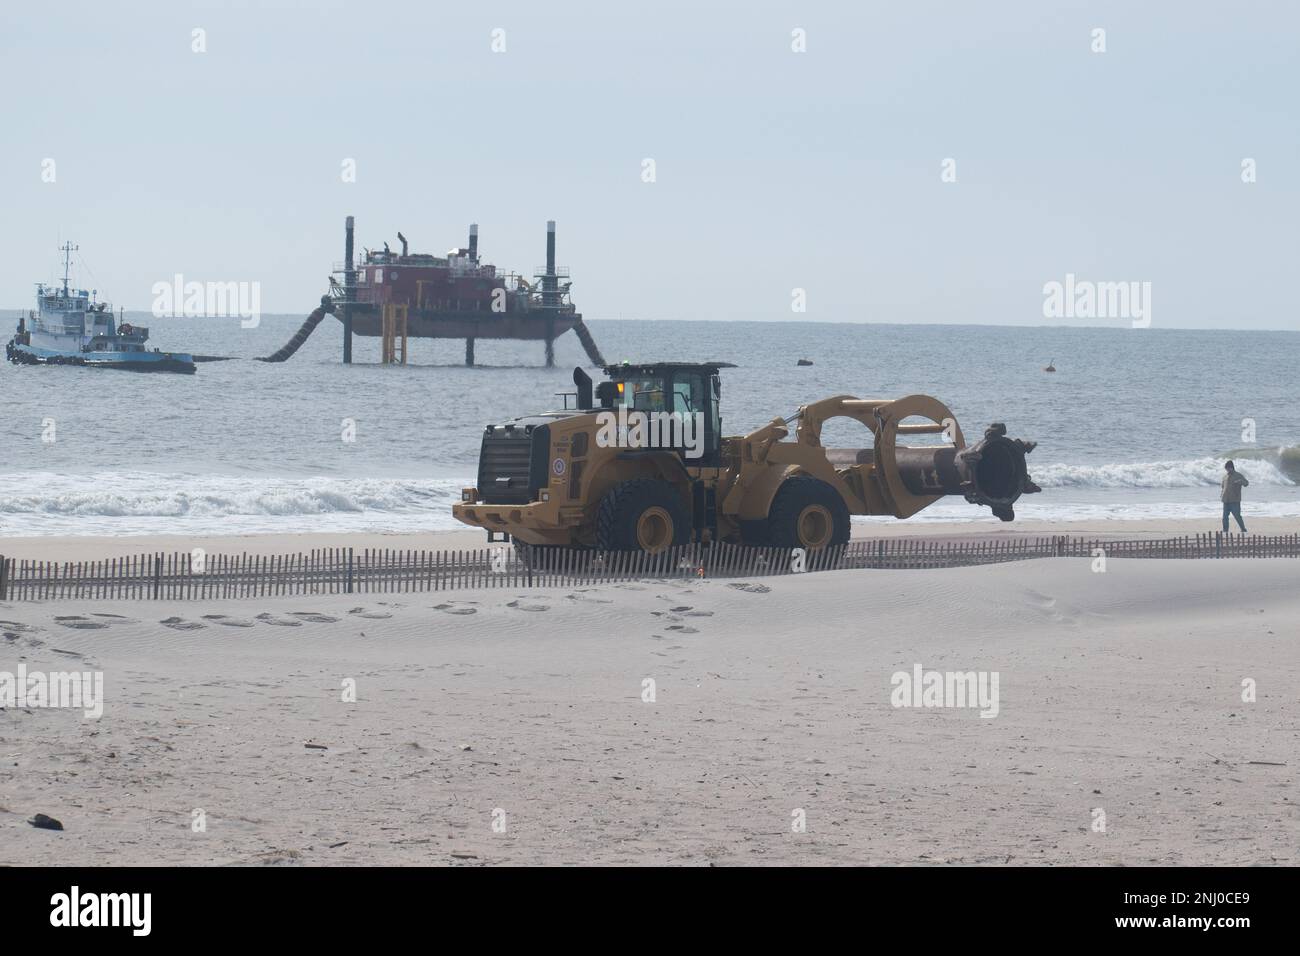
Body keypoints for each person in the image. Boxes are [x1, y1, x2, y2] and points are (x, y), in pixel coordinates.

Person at [1221, 460, 1249, 533]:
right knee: (1224, 518)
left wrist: (1240, 481)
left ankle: (1243, 529)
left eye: (1228, 468)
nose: (1227, 470)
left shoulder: (1238, 475)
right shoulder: (1225, 476)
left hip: (1234, 500)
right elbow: (1223, 487)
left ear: (1232, 467)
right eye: (1226, 468)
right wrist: (1221, 495)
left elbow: (1246, 483)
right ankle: (1225, 530)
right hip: (1225, 500)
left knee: (1237, 516)